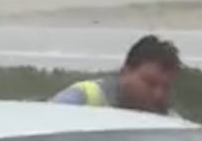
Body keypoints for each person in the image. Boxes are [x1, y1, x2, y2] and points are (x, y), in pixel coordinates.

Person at [50, 34, 181, 114]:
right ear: (126, 72)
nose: (158, 94)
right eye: (150, 84)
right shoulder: (80, 99)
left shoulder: (163, 116)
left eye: (166, 88)